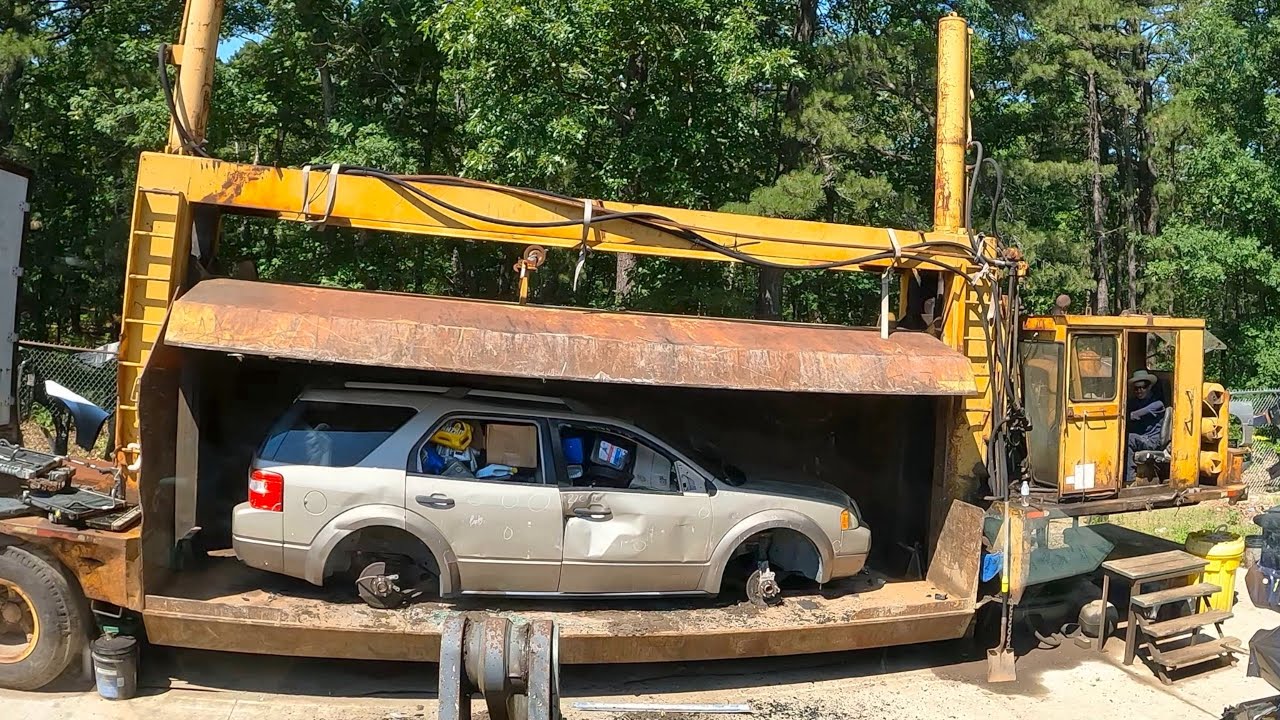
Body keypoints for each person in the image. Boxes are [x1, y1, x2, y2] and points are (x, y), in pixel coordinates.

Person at [1125, 369, 1166, 485]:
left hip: (1151, 440)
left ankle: (1130, 479)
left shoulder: (1157, 405)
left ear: (1149, 387)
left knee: (1128, 439)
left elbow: (1133, 415)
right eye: (1136, 388)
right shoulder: (1134, 402)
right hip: (1141, 437)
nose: (1139, 390)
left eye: (1143, 387)